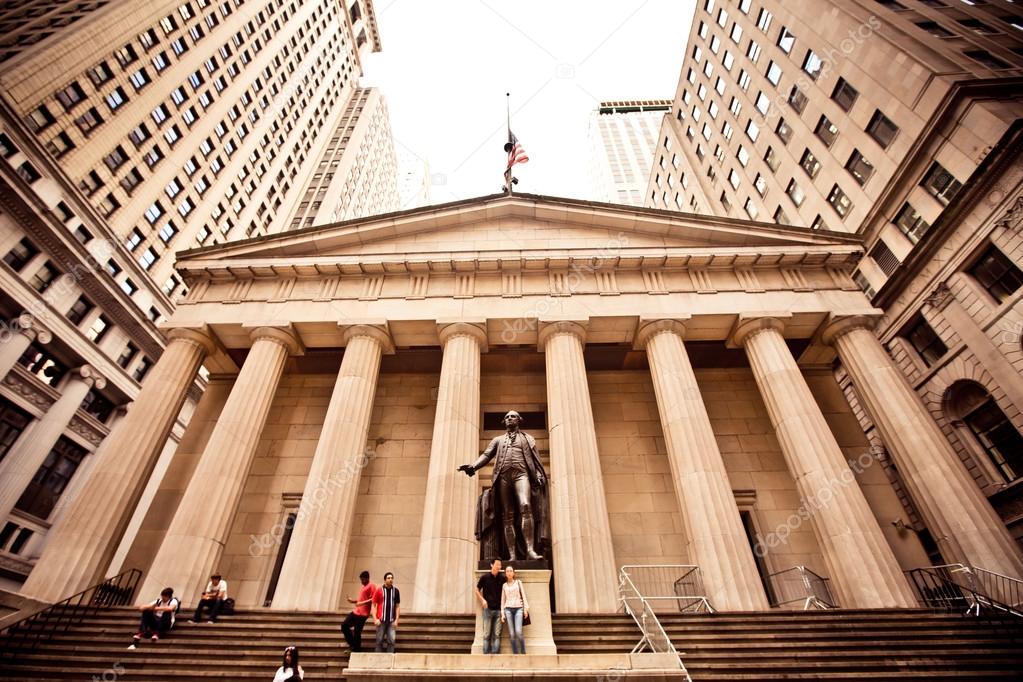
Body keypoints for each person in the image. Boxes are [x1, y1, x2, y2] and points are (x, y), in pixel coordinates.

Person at [459, 411, 549, 561]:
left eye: (512, 416)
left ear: (519, 420)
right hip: (503, 477)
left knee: (526, 505)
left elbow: (536, 459)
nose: (509, 418)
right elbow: (487, 455)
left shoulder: (528, 439)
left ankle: (530, 550)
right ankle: (512, 555)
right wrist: (473, 466)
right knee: (507, 515)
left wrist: (539, 474)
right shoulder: (498, 440)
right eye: (506, 417)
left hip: (522, 474)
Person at [341, 570, 376, 652]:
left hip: (363, 614)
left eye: (363, 580)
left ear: (367, 578)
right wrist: (353, 601)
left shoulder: (372, 586)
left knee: (357, 632)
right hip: (356, 612)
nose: (361, 582)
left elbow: (373, 599)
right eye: (361, 580)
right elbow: (361, 599)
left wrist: (361, 603)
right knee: (344, 626)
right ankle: (352, 645)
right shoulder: (363, 587)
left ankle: (356, 649)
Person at [475, 558, 504, 654]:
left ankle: (495, 655)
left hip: (499, 610)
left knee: (497, 634)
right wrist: (482, 600)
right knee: (486, 634)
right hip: (487, 610)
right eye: (497, 564)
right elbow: (476, 590)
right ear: (491, 565)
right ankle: (486, 656)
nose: (499, 567)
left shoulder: (502, 578)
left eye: (500, 565)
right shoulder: (485, 577)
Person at [500, 565, 528, 655]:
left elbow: (523, 596)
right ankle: (515, 653)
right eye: (507, 571)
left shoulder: (518, 583)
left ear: (513, 573)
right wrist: (502, 614)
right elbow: (502, 600)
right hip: (508, 609)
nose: (509, 572)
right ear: (505, 574)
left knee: (518, 632)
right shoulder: (504, 585)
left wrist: (525, 609)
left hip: (518, 608)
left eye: (510, 571)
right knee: (512, 634)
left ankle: (523, 652)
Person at [372, 571, 400, 653]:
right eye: (388, 578)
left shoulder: (396, 591)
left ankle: (389, 659)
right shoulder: (379, 590)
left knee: (391, 641)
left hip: (391, 621)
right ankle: (378, 660)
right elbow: (373, 605)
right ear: (385, 580)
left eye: (392, 578)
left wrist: (397, 620)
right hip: (381, 620)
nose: (390, 579)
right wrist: (375, 619)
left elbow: (397, 606)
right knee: (379, 641)